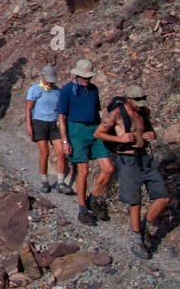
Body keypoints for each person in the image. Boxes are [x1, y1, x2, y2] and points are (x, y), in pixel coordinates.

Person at [96, 86, 170, 259]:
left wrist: (151, 135)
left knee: (163, 197)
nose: (139, 105)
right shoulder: (116, 114)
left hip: (145, 158)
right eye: (136, 102)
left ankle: (144, 226)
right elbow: (99, 133)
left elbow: (148, 131)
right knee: (135, 202)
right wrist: (119, 138)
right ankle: (137, 240)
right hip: (127, 160)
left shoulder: (144, 112)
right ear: (128, 99)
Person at [57, 58, 115, 226]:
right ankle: (82, 209)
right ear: (77, 75)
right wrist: (65, 140)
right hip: (76, 130)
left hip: (94, 128)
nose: (87, 79)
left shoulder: (93, 90)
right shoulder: (67, 90)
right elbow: (62, 116)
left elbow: (96, 111)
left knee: (109, 168)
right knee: (83, 170)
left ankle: (93, 199)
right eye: (84, 76)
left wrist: (102, 130)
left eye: (88, 77)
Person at [25, 65, 66, 193]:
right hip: (39, 122)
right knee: (45, 152)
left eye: (52, 80)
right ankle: (44, 180)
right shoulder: (35, 89)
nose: (50, 82)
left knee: (61, 152)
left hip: (54, 123)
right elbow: (29, 108)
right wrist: (29, 125)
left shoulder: (58, 91)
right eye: (48, 79)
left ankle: (60, 182)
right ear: (42, 76)